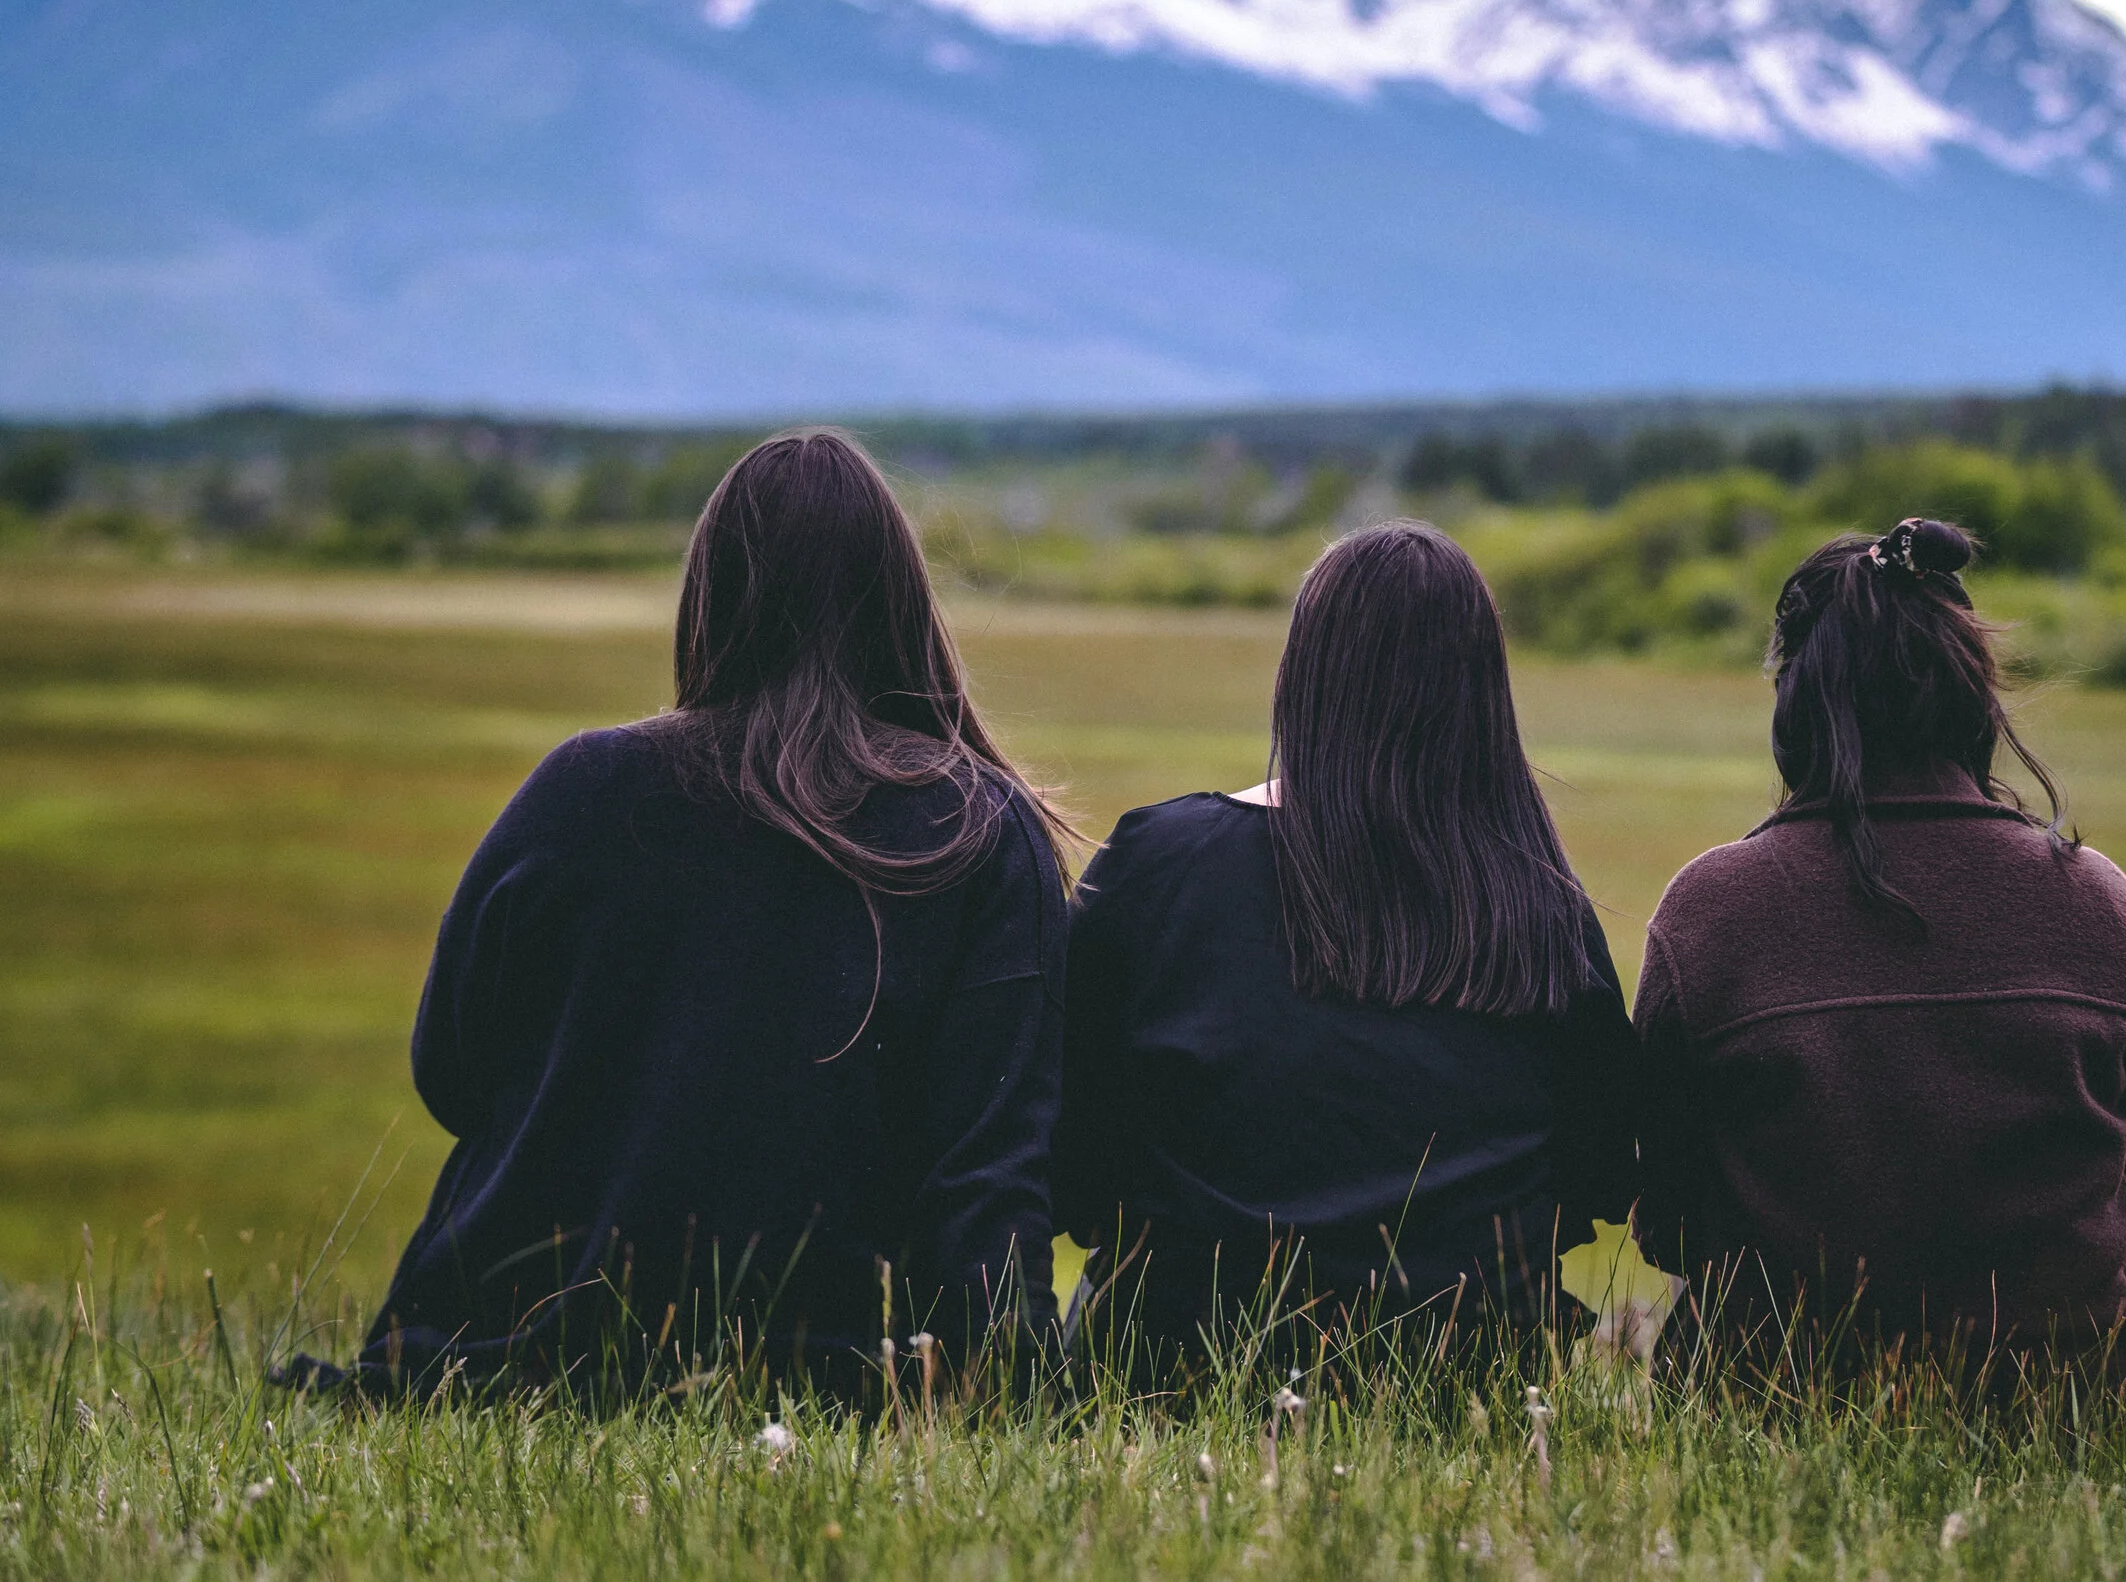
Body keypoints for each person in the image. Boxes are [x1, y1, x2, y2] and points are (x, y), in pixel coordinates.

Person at [350, 431, 1073, 1398]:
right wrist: (1005, 1392)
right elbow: (986, 1176)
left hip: (483, 1360)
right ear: (903, 604)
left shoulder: (582, 788)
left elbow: (451, 1071)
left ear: (712, 598)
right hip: (804, 1381)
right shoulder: (977, 827)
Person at [1631, 518, 2126, 1402]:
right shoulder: (2103, 905)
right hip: (2067, 1414)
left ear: (1798, 700)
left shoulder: (1713, 911)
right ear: (1972, 693)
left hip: (1772, 1407)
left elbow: (1665, 1187)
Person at [1053, 520, 1637, 1371]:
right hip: (1464, 1384)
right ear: (1483, 698)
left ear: (1302, 679)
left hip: (1170, 1365)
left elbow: (1071, 1149)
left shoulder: (1160, 863)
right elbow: (1595, 1178)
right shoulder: (1542, 906)